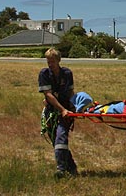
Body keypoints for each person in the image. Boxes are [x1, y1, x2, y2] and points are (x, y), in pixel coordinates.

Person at [39, 48, 78, 178]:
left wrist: (73, 108)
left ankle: (60, 169)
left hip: (65, 112)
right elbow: (48, 95)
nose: (50, 64)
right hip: (52, 112)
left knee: (61, 136)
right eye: (48, 61)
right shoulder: (44, 74)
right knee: (57, 142)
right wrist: (61, 109)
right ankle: (72, 168)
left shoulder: (67, 73)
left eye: (53, 61)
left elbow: (71, 92)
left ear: (58, 61)